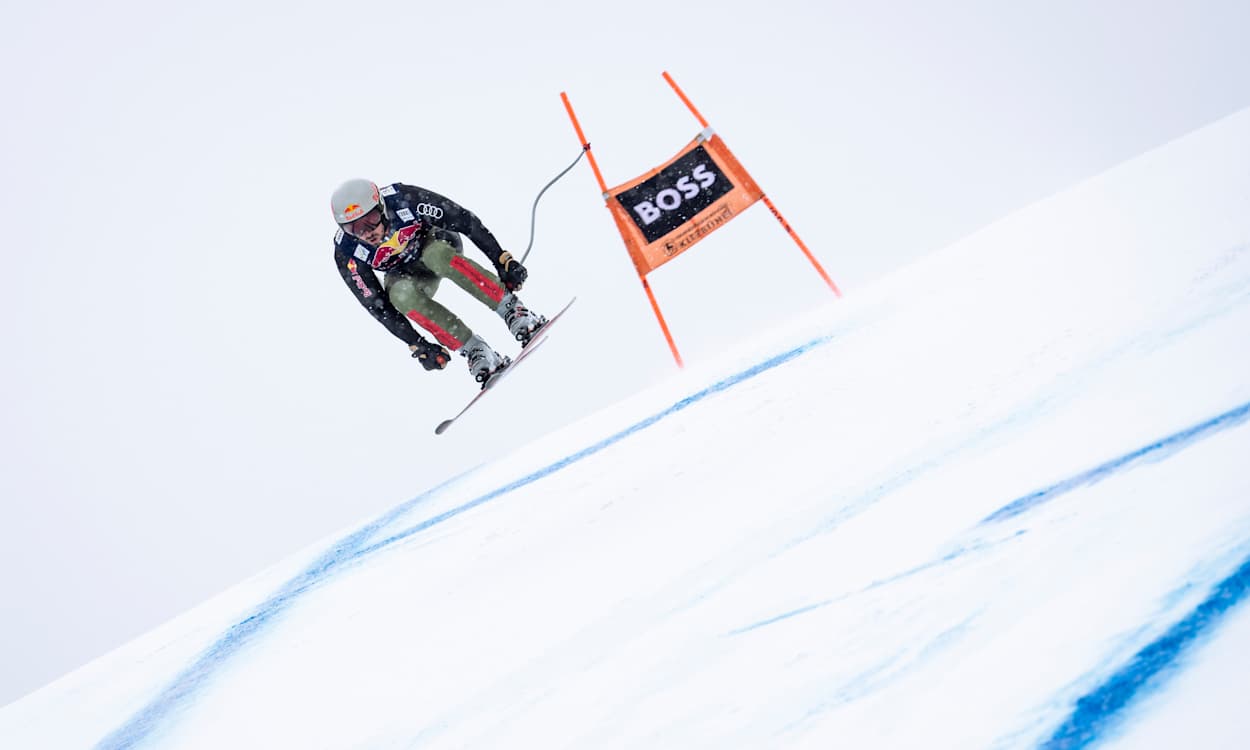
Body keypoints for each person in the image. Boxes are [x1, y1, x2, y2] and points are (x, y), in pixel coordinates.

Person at [330, 178, 547, 387]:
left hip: (436, 242)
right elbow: (378, 307)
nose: (367, 232)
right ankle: (475, 350)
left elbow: (465, 221)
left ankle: (513, 310)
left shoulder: (402, 199)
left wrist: (502, 260)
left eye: (371, 219)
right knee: (399, 295)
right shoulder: (347, 251)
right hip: (406, 274)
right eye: (355, 228)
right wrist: (417, 343)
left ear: (381, 206)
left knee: (436, 255)